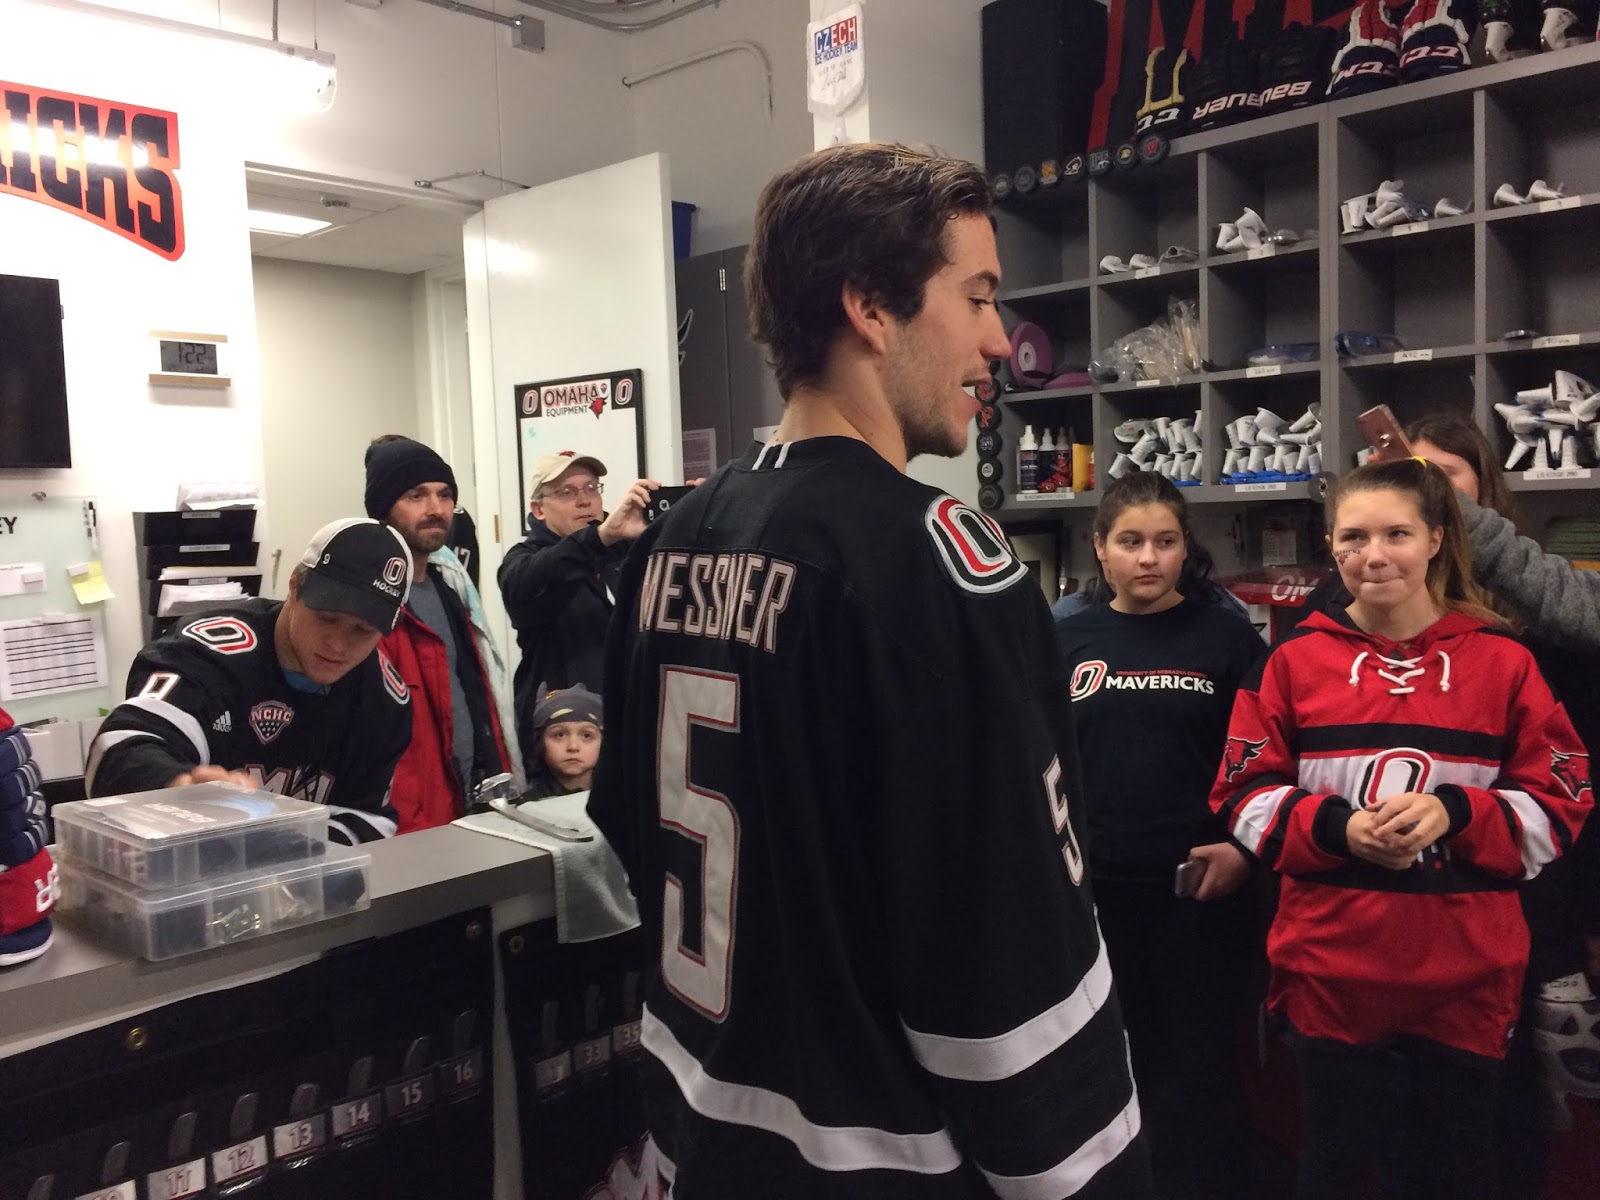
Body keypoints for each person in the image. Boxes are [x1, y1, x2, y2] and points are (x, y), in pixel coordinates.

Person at [588, 144, 1153, 1198]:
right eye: (977, 296)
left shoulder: (682, 533)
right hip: (872, 1159)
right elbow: (1006, 941)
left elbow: (624, 815)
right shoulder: (936, 563)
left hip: (700, 1132)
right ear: (870, 308)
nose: (999, 341)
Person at [1211, 457, 1593, 1200]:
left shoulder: (1504, 662)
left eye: (1397, 533)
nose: (1374, 554)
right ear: (1331, 545)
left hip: (1466, 975)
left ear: (1438, 541)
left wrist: (1456, 812)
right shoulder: (1291, 662)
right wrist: (1333, 829)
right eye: (1353, 537)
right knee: (1331, 1164)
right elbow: (1240, 793)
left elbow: (1564, 799)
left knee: (1456, 1168)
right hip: (1330, 969)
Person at [1054, 472, 1266, 1200]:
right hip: (1094, 893)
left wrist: (1243, 850)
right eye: (1131, 541)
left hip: (1200, 894)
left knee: (1200, 1068)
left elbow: (1265, 764)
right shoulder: (1062, 635)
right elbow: (1034, 757)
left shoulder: (1227, 637)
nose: (1149, 558)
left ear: (1185, 550)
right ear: (1101, 550)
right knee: (1114, 1063)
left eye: (1165, 542)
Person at [87, 519, 414, 845]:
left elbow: (368, 819)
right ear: (295, 587)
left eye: (363, 630)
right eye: (327, 617)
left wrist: (279, 852)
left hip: (297, 888)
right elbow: (117, 748)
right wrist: (177, 786)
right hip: (177, 878)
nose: (339, 644)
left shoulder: (382, 699)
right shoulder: (206, 655)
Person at [365, 435, 522, 831]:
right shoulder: (368, 605)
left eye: (445, 494)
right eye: (416, 496)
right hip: (412, 823)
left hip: (475, 798)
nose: (436, 509)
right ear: (384, 507)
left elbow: (478, 694)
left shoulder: (452, 588)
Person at [497, 451, 659, 756]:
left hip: (628, 725)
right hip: (566, 741)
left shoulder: (625, 553)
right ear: (538, 509)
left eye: (591, 488)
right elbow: (530, 582)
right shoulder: (524, 560)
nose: (584, 501)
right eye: (567, 492)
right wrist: (600, 538)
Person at [522, 684, 602, 800]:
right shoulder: (526, 808)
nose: (573, 747)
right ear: (540, 742)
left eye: (586, 736)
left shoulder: (622, 802)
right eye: (559, 735)